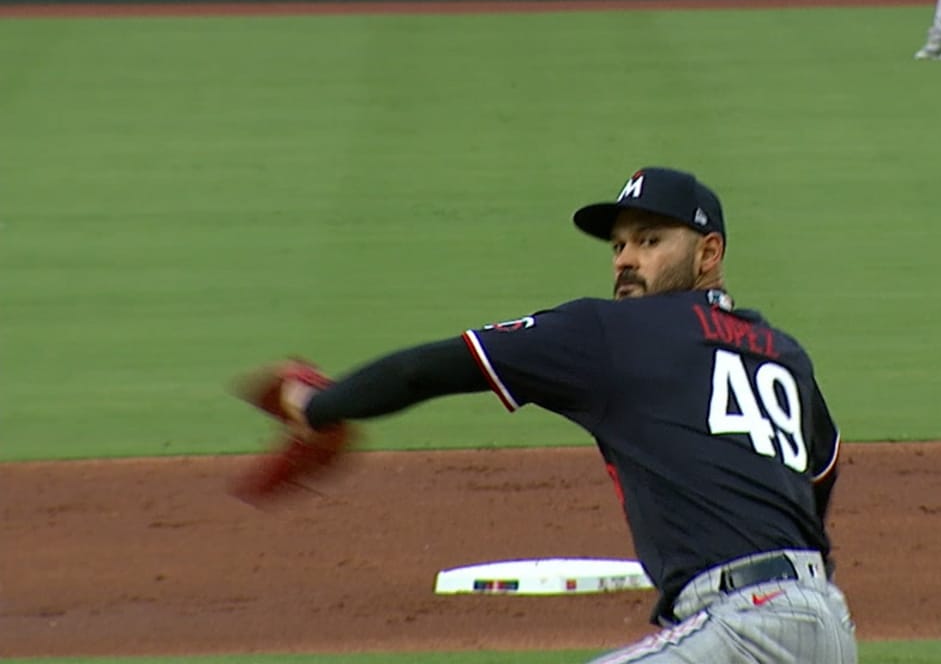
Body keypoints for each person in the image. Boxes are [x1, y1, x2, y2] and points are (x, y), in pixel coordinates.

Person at [245, 167, 856, 662]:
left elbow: (425, 369)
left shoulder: (611, 332)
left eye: (649, 241)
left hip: (746, 627)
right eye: (619, 244)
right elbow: (818, 478)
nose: (625, 259)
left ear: (709, 253)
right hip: (824, 623)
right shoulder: (783, 351)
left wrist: (315, 406)